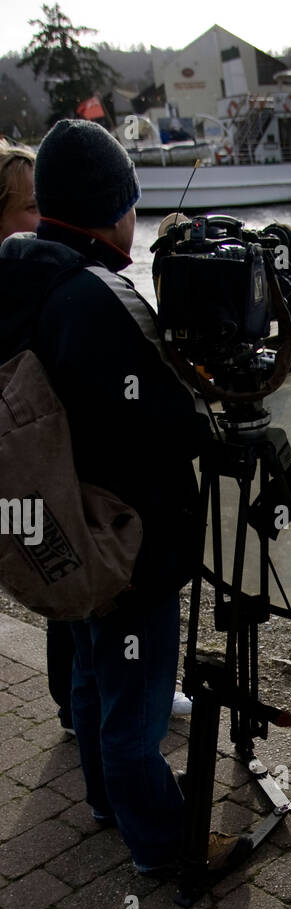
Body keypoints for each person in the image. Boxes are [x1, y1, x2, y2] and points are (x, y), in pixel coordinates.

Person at [0, 119, 236, 875]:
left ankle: (105, 802)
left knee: (96, 673)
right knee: (134, 710)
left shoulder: (17, 276)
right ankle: (168, 850)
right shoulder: (94, 298)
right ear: (113, 208)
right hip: (124, 543)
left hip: (58, 538)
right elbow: (175, 424)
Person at [0, 147, 77, 734]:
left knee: (62, 566)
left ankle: (72, 702)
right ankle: (77, 703)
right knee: (56, 563)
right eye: (31, 208)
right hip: (25, 464)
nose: (42, 221)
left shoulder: (38, 274)